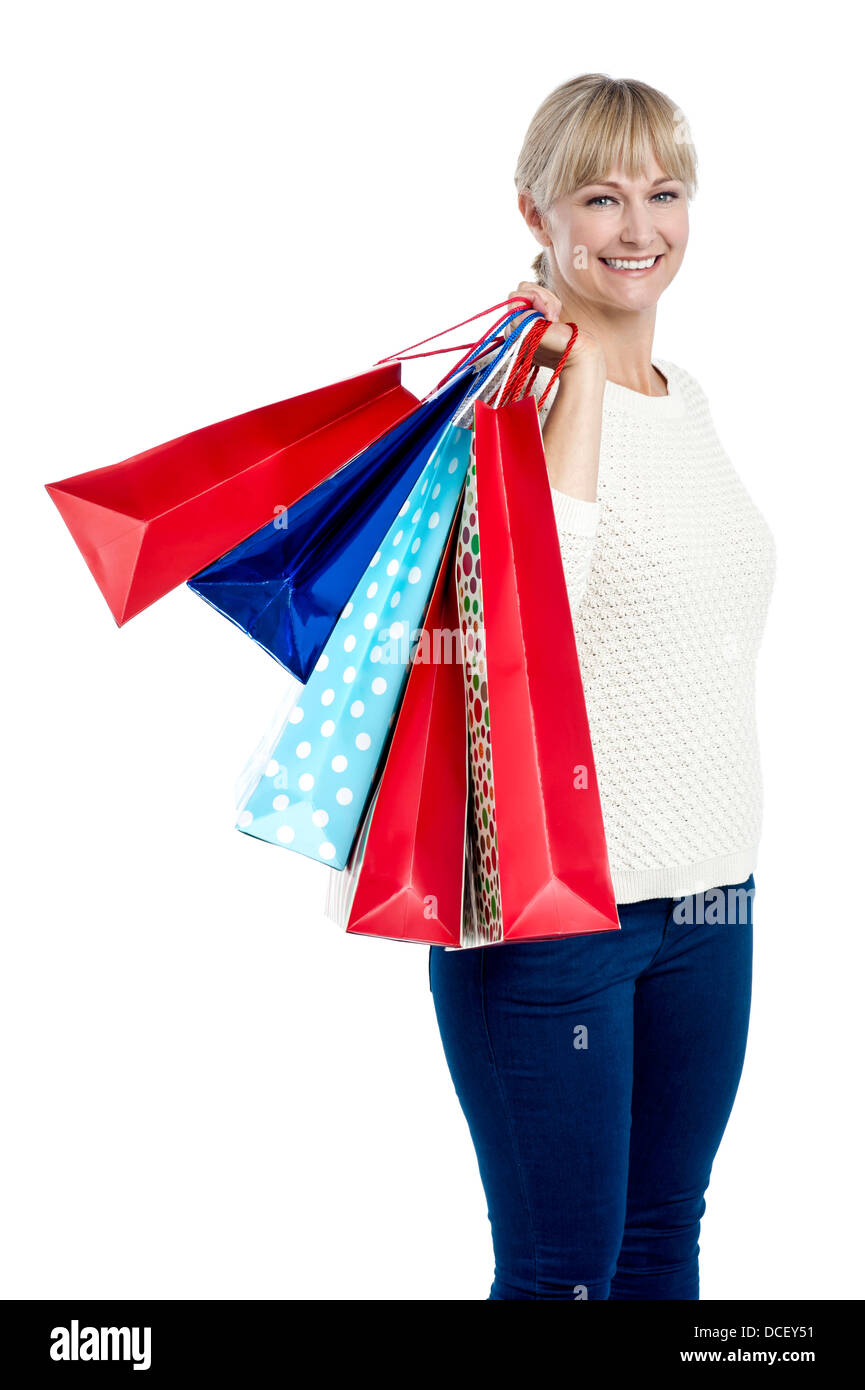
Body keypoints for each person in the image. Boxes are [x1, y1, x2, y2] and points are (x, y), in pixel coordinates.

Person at [428, 73, 776, 1300]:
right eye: (601, 195)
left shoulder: (692, 403)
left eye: (663, 192)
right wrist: (565, 365)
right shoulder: (503, 398)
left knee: (658, 1241)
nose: (639, 228)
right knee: (560, 1273)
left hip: (709, 901)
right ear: (536, 213)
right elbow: (534, 612)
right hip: (554, 910)